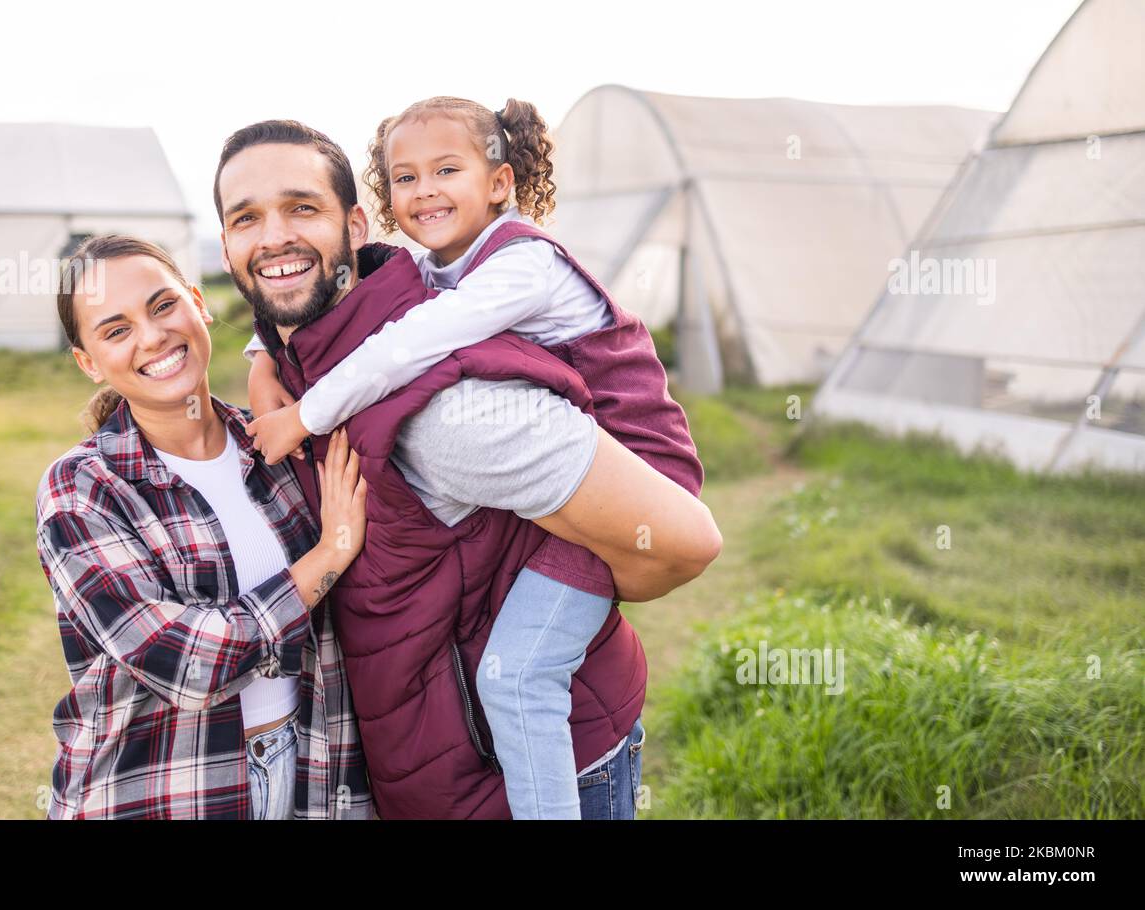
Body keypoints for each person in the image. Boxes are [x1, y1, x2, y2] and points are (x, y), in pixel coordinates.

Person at [216, 118, 721, 818]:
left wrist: (619, 566)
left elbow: (683, 540)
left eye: (302, 208)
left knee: (517, 677)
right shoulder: (346, 332)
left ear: (357, 229)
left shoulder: (450, 414)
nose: (273, 237)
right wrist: (264, 356)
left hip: (531, 781)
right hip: (444, 775)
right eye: (248, 218)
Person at [35, 234, 371, 819]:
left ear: (199, 303)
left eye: (164, 306)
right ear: (89, 364)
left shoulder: (277, 447)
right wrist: (328, 556)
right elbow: (187, 662)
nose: (152, 336)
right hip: (163, 795)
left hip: (311, 775)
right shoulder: (83, 488)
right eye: (115, 331)